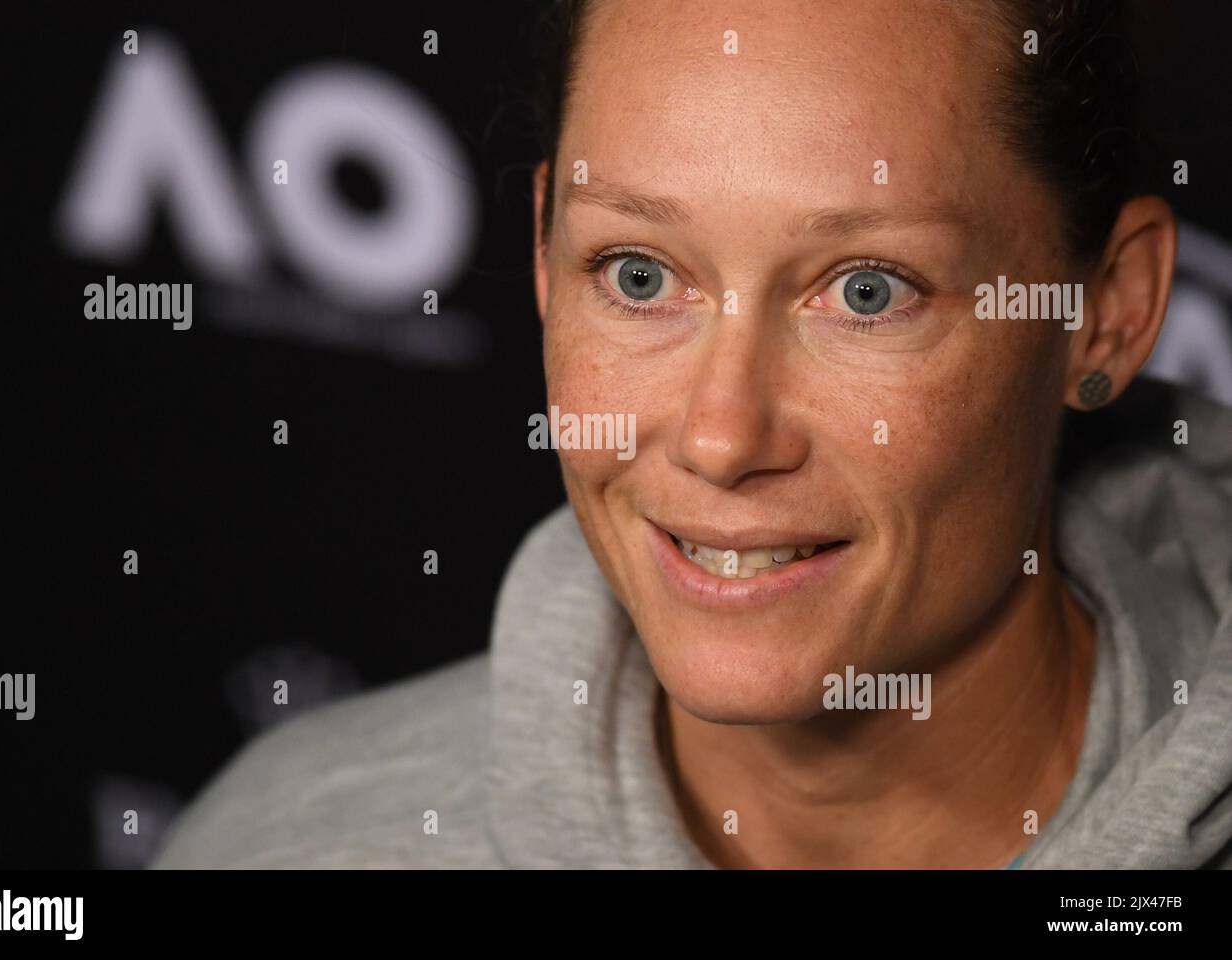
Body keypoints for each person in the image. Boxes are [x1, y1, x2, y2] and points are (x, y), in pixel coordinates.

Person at [151, 0, 1232, 869]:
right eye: (638, 275)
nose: (720, 439)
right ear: (541, 254)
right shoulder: (287, 842)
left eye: (865, 293)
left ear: (1107, 310)